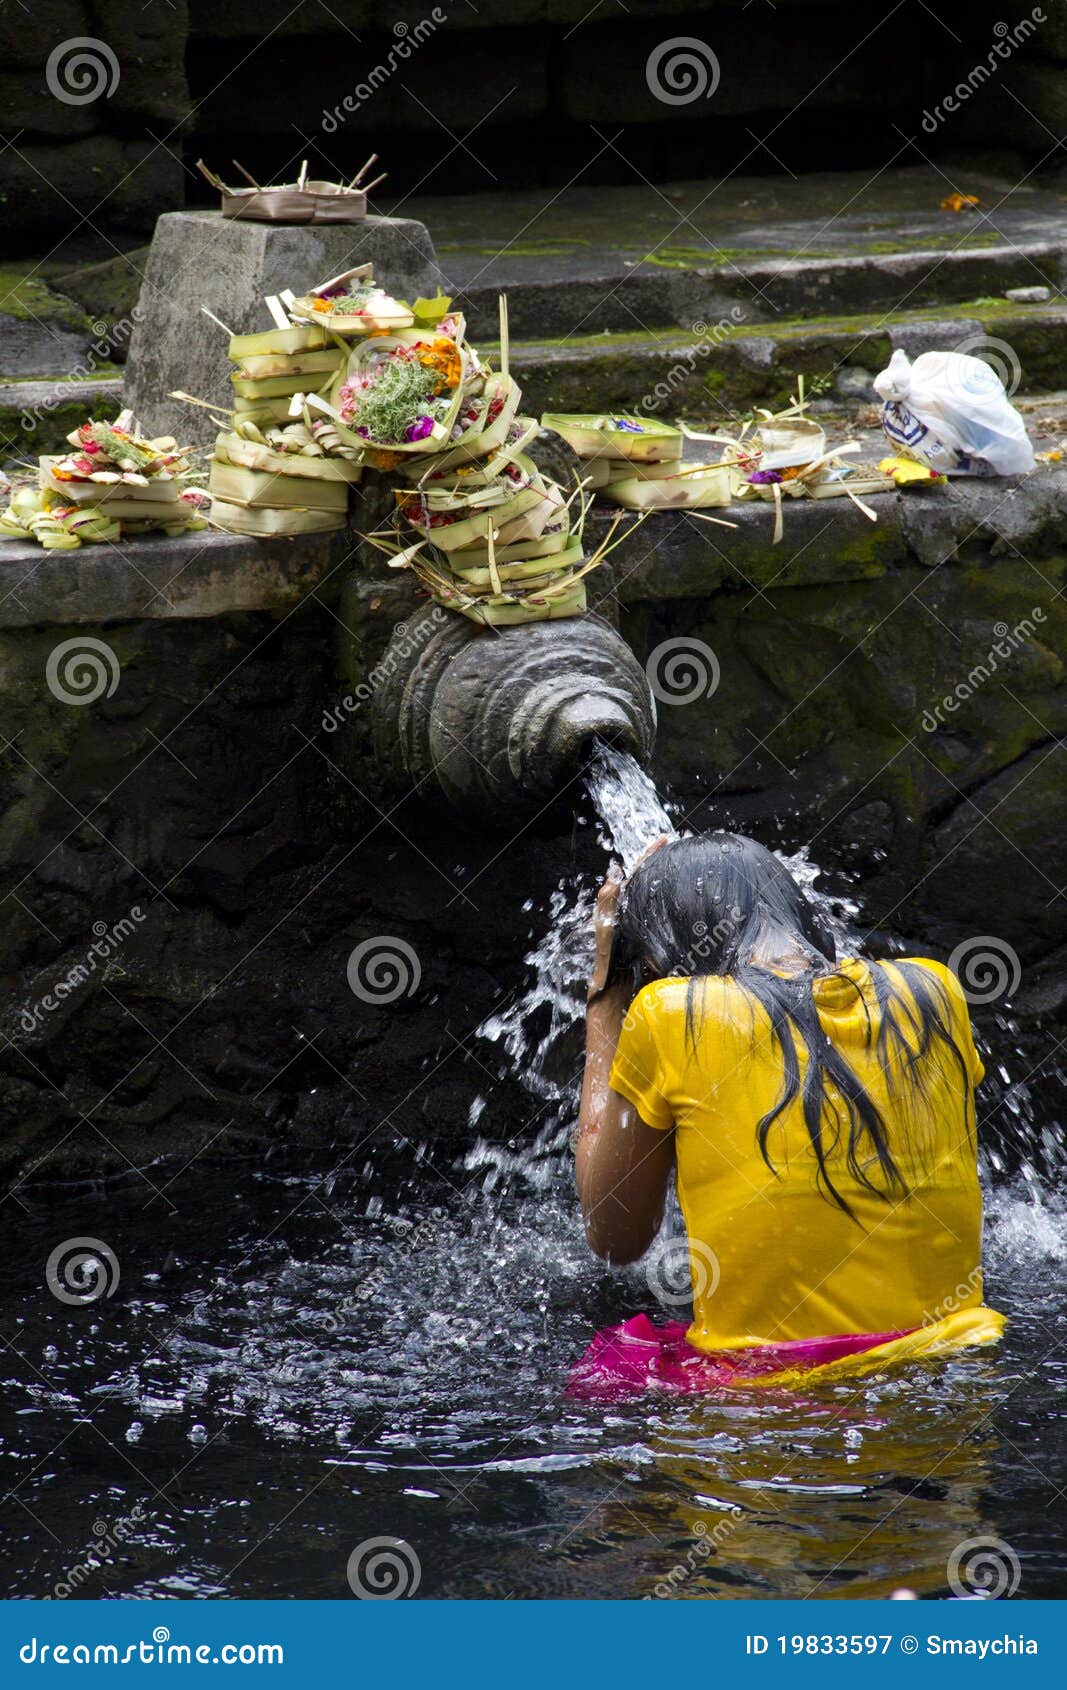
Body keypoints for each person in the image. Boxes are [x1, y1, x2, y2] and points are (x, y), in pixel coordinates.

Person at [571, 832, 1004, 1396]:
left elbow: (614, 1234)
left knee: (604, 1380)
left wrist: (606, 995)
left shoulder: (671, 1014)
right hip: (956, 1362)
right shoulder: (934, 992)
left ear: (657, 957)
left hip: (774, 1395)